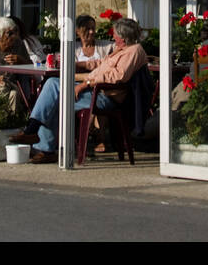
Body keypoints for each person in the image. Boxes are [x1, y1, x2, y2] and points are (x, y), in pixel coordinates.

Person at [10, 17, 150, 163]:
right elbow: (102, 63)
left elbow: (117, 76)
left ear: (123, 37)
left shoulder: (134, 51)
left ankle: (34, 133)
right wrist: (78, 64)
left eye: (115, 34)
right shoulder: (122, 50)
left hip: (104, 96)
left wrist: (86, 83)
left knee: (52, 85)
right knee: (52, 98)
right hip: (98, 92)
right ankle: (43, 147)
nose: (113, 36)